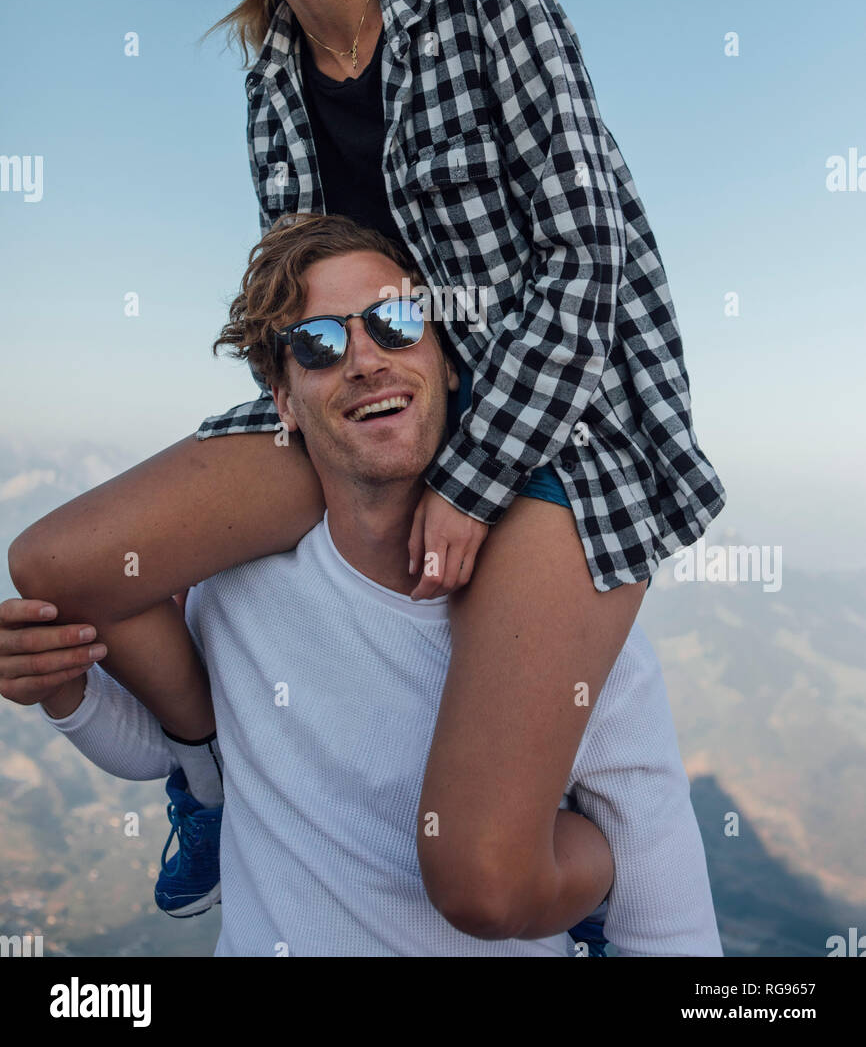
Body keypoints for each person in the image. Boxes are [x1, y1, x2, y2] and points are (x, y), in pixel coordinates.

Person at [7, 0, 727, 938]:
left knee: (483, 879)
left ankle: (602, 874)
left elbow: (587, 256)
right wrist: (278, 400)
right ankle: (207, 779)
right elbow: (303, 301)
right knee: (56, 565)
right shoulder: (269, 81)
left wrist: (476, 477)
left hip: (568, 427)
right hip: (377, 398)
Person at [2, 215, 723, 956]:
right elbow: (168, 752)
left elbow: (669, 927)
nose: (366, 359)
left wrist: (596, 877)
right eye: (318, 344)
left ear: (448, 362)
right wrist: (60, 689)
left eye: (396, 322)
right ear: (281, 403)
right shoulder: (234, 592)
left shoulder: (565, 631)